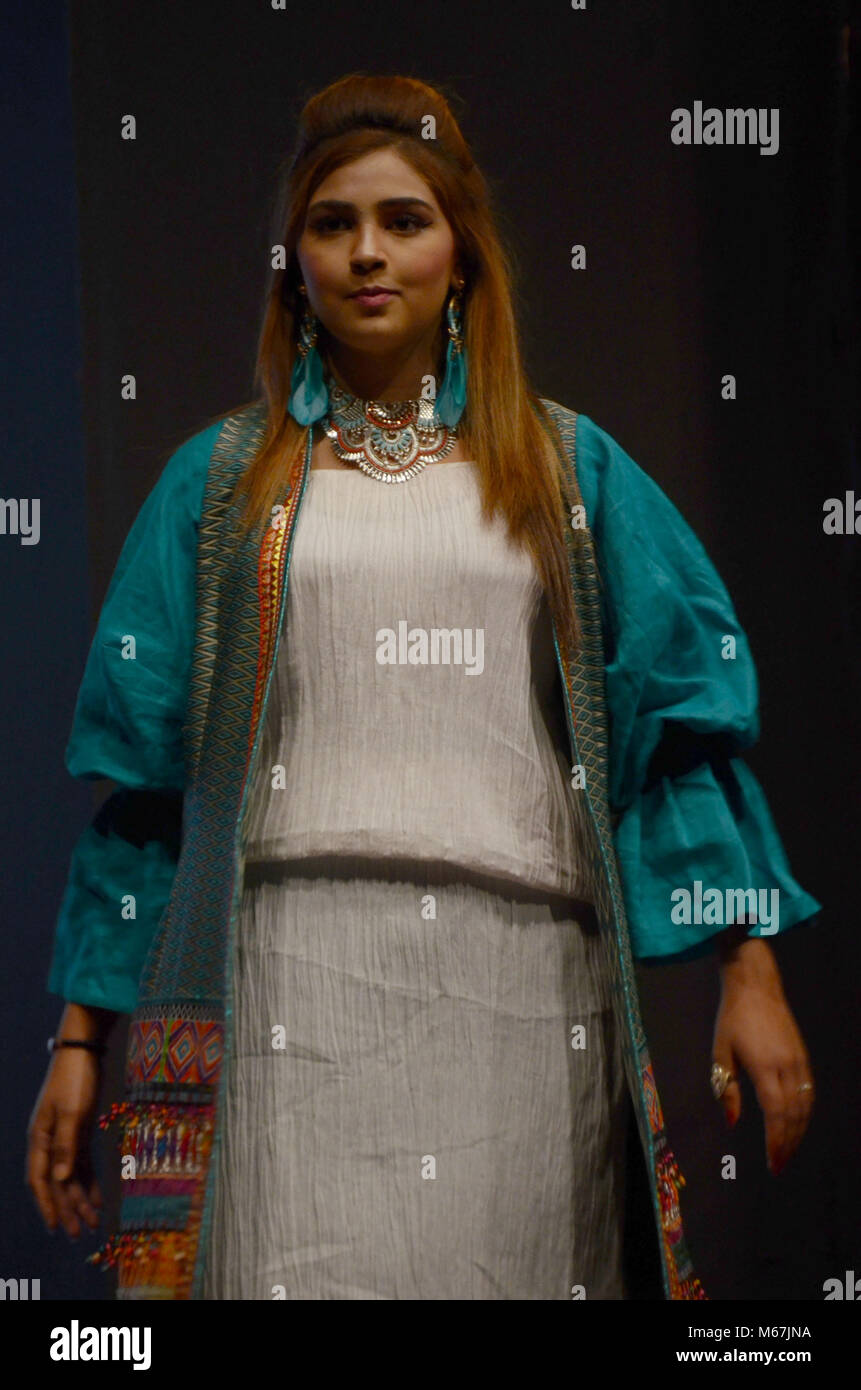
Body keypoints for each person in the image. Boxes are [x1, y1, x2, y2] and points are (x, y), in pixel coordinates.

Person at [27, 73, 819, 1301]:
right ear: (294, 261)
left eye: (404, 220)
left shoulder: (564, 470)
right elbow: (143, 787)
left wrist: (748, 969)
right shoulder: (220, 484)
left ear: (462, 257)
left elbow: (678, 733)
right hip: (286, 989)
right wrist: (80, 1037)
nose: (367, 252)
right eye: (333, 223)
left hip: (517, 1001)